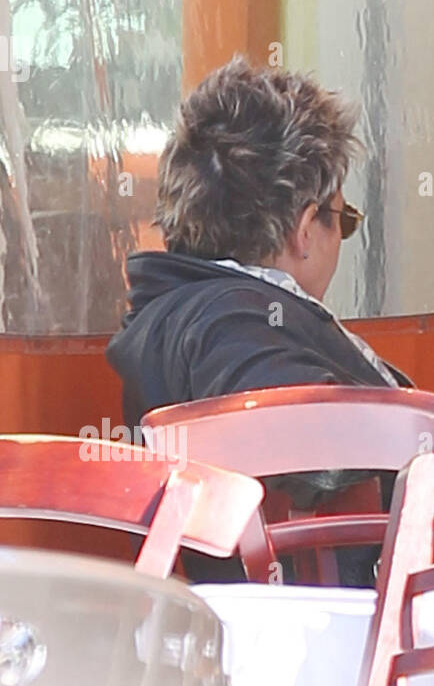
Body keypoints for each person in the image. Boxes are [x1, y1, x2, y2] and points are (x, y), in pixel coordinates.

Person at [106, 57, 409, 580]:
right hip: (330, 629)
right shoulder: (223, 319)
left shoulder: (184, 314)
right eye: (344, 219)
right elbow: (297, 432)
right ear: (305, 226)